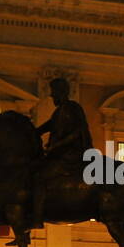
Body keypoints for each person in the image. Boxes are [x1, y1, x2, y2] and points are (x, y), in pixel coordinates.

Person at [30, 77, 92, 229]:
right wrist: (31, 132)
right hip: (61, 152)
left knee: (40, 177)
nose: (53, 98)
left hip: (72, 153)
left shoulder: (73, 108)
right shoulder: (58, 112)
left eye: (54, 94)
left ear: (61, 93)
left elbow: (77, 132)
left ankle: (37, 218)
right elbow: (48, 126)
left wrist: (57, 145)